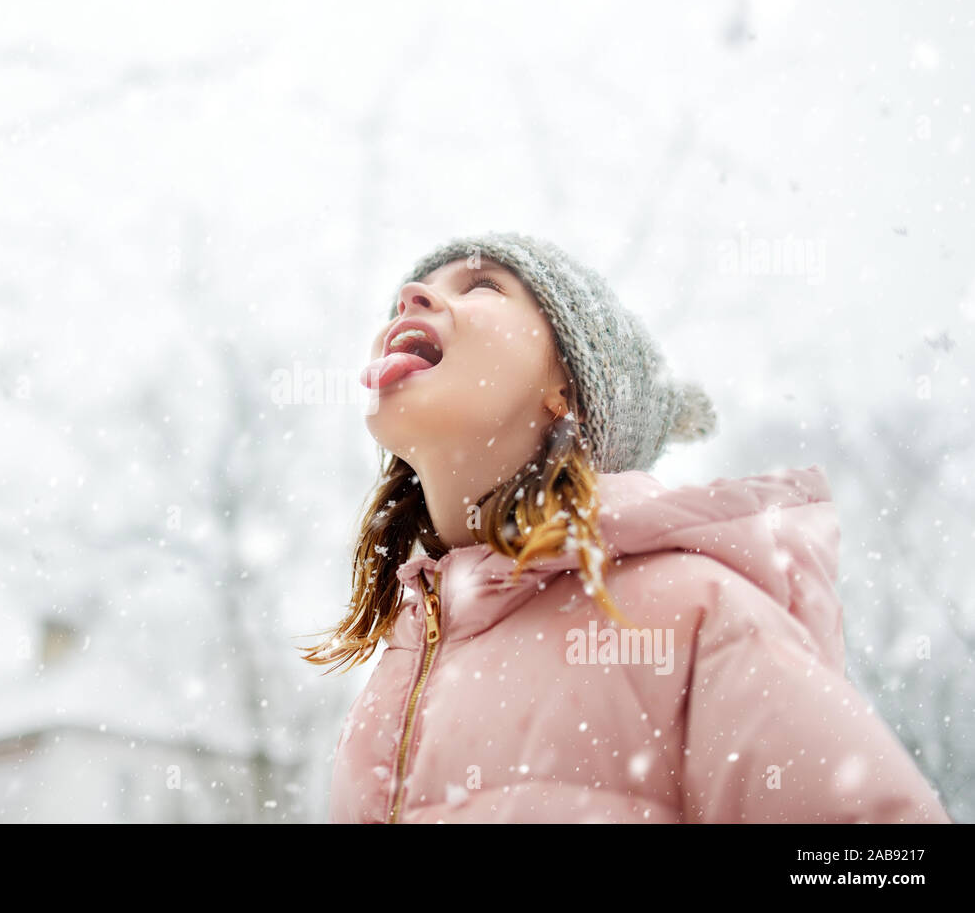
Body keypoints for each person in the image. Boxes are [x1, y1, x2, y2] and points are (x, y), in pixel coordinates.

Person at [301, 232, 952, 823]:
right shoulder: (408, 654)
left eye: (480, 286)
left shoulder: (688, 609)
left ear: (570, 389)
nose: (411, 296)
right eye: (413, 296)